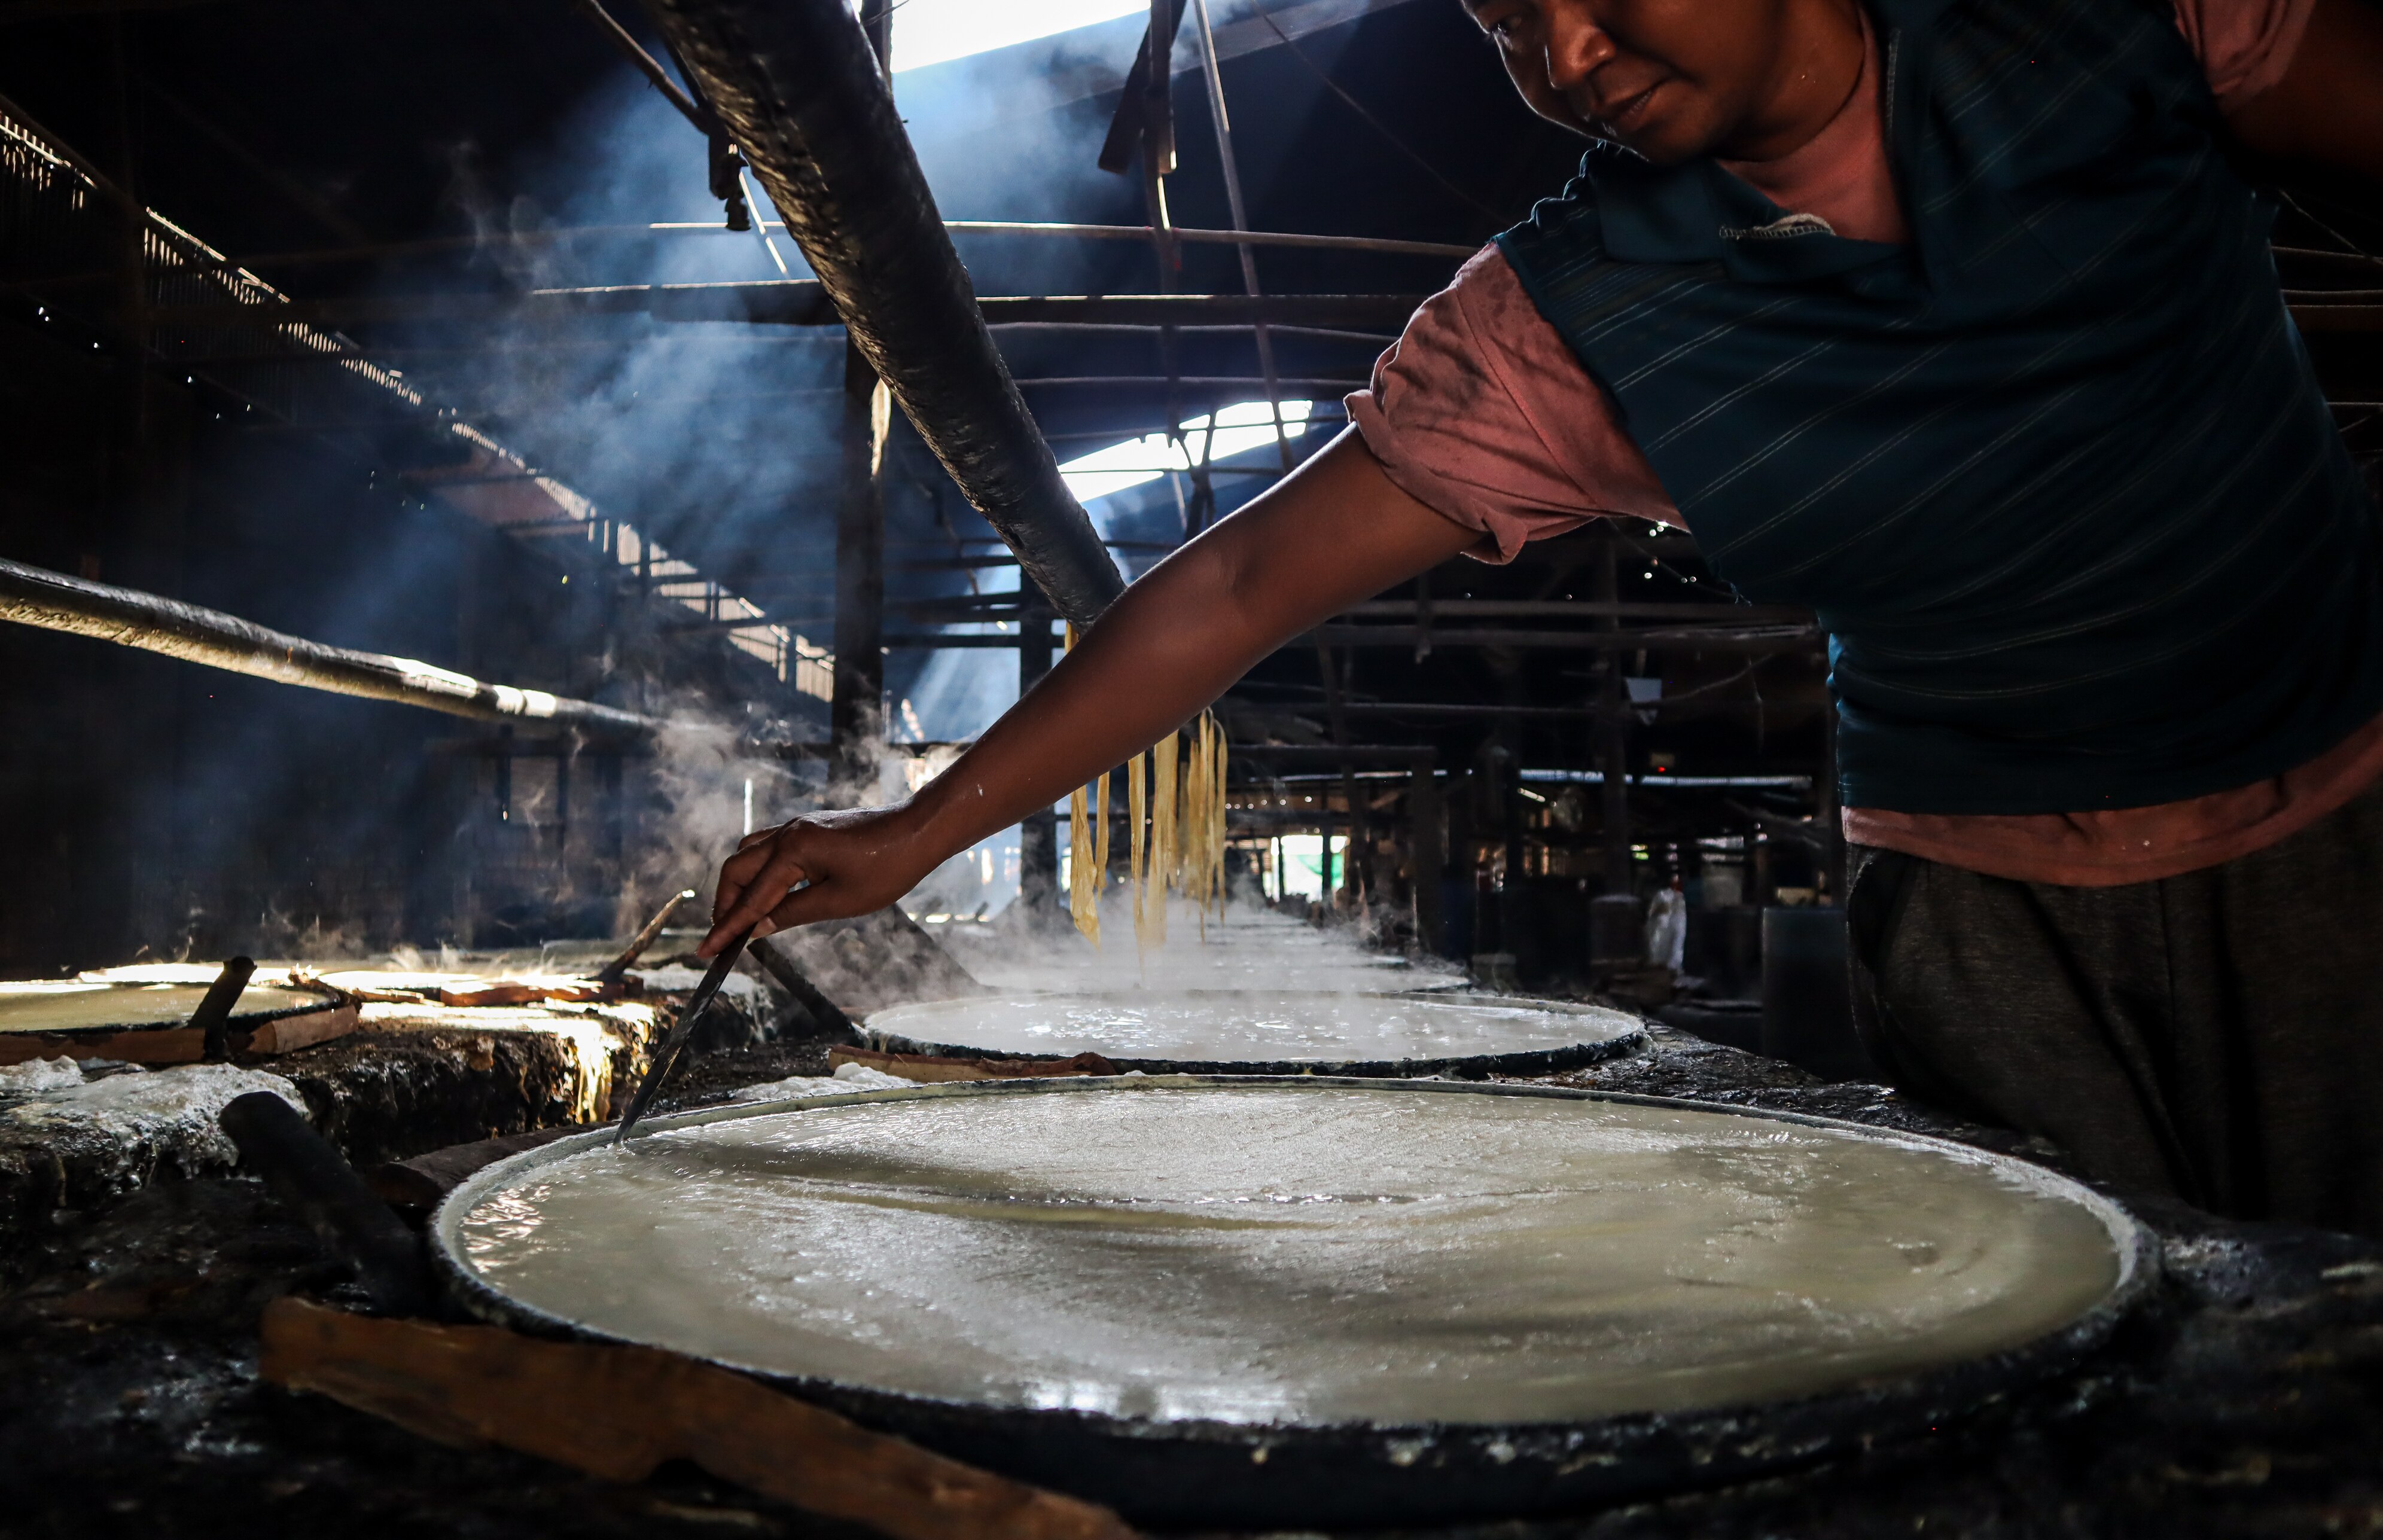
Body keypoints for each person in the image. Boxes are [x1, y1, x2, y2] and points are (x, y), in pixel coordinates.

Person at [706, 0, 2383, 1233]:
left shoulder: (2111, 24)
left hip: (2344, 819)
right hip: (1984, 908)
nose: (1568, 59)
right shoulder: (1568, 323)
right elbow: (1230, 586)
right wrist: (919, 833)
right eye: (1508, 22)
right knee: (2089, 1323)